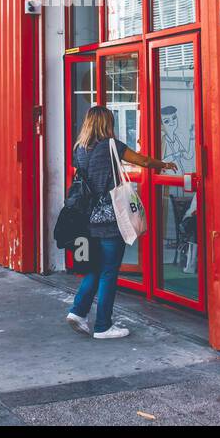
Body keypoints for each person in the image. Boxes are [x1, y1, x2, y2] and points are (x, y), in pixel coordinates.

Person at [66, 105, 177, 340]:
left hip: (87, 218)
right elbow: (143, 161)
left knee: (96, 268)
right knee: (108, 271)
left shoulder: (79, 149)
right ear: (107, 123)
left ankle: (78, 312)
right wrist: (164, 165)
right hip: (109, 218)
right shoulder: (111, 146)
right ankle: (103, 326)